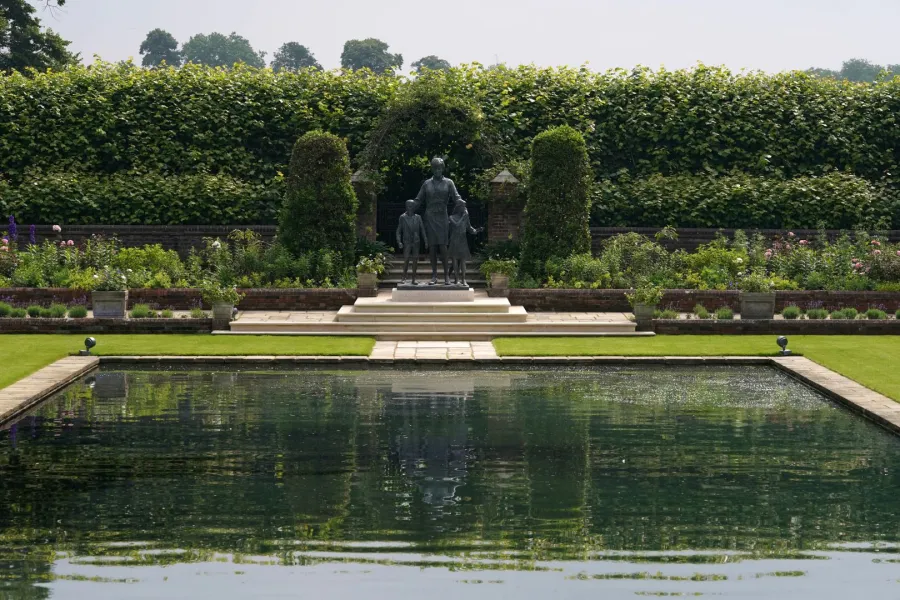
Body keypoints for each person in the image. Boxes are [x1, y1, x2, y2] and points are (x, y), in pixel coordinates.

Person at [414, 157, 461, 285]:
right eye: (435, 168)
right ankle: (434, 275)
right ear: (432, 169)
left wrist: (461, 203)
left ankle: (446, 275)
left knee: (443, 246)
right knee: (432, 247)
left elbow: (456, 197)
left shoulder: (449, 182)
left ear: (443, 168)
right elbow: (419, 199)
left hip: (442, 217)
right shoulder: (427, 184)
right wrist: (411, 205)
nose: (437, 170)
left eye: (439, 168)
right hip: (430, 217)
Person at [447, 198, 483, 287]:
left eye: (465, 206)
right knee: (454, 261)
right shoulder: (451, 217)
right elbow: (456, 225)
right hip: (454, 240)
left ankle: (463, 279)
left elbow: (470, 228)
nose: (464, 208)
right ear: (459, 207)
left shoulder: (465, 217)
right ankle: (456, 279)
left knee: (463, 261)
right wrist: (463, 217)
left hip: (462, 241)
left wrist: (477, 230)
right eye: (463, 206)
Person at [395, 199, 428, 285]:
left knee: (415, 260)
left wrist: (425, 240)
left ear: (414, 207)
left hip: (416, 241)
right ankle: (403, 277)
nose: (410, 208)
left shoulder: (418, 217)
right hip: (407, 241)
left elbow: (422, 230)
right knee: (406, 260)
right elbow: (398, 231)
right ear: (406, 206)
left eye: (412, 206)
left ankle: (414, 278)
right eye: (409, 206)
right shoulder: (403, 217)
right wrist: (399, 241)